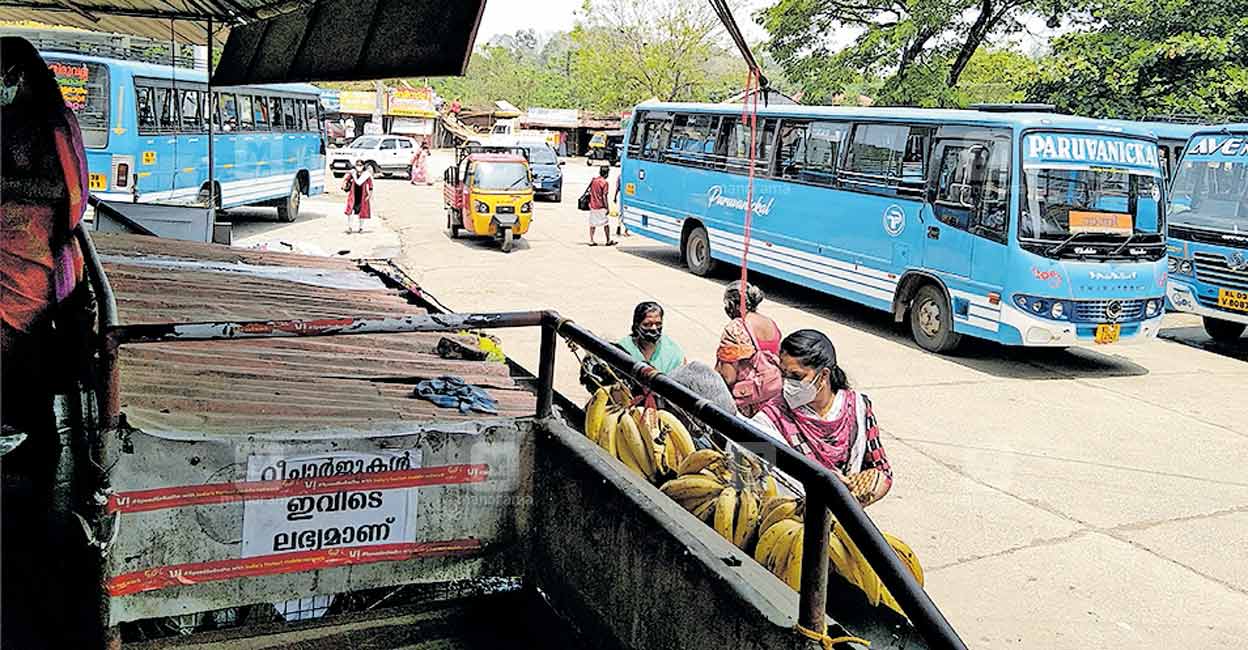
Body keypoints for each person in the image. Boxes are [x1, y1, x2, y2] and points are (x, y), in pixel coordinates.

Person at [1, 35, 94, 648]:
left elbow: (67, 198)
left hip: (30, 265)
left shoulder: (53, 124)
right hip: (10, 257)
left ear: (20, 74)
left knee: (26, 367)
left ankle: (34, 474)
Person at [750, 330, 892, 507]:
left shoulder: (857, 408)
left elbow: (881, 469)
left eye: (796, 376)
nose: (787, 383)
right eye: (784, 374)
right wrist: (823, 482)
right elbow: (751, 479)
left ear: (824, 375)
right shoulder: (769, 419)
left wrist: (857, 498)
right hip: (786, 518)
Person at [716, 281, 783, 417]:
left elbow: (728, 377)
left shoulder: (735, 328)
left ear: (733, 305)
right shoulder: (770, 323)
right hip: (771, 400)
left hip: (746, 402)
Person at [618, 301, 684, 374]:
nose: (654, 328)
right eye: (647, 324)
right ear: (637, 325)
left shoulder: (673, 352)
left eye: (658, 324)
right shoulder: (623, 349)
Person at [342, 159, 373, 233]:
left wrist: (369, 195)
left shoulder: (366, 175)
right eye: (357, 165)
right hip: (353, 195)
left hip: (362, 196)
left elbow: (370, 185)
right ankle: (350, 227)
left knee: (362, 212)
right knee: (350, 212)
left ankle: (361, 228)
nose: (359, 166)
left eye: (360, 165)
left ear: (363, 166)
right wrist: (344, 184)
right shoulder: (353, 173)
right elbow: (346, 179)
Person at [588, 165, 615, 246]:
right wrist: (607, 207)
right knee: (605, 224)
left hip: (593, 205)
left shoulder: (594, 180)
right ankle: (608, 240)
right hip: (600, 206)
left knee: (592, 224)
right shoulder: (605, 183)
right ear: (606, 173)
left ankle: (591, 240)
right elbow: (604, 196)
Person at [612, 171, 630, 237]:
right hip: (628, 196)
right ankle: (626, 231)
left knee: (621, 212)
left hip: (622, 197)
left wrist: (615, 197)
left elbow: (617, 188)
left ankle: (618, 227)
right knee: (627, 212)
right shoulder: (630, 176)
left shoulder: (620, 176)